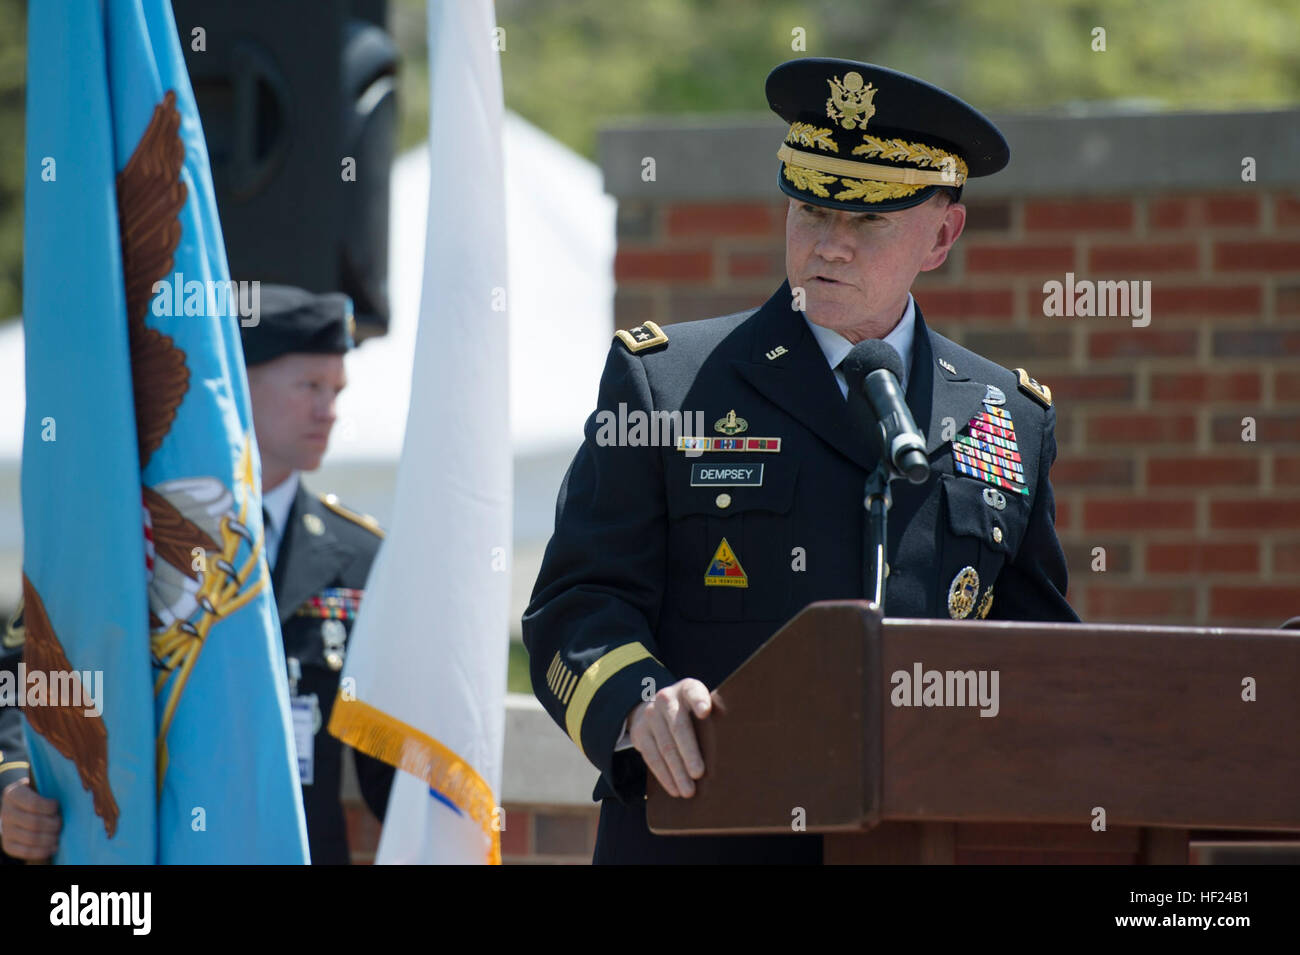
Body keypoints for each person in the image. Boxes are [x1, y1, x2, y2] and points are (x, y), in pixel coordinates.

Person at [523, 57, 1079, 864]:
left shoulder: (1009, 416)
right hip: (704, 838)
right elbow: (574, 607)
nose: (831, 246)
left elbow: (1041, 665)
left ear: (942, 234)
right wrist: (640, 704)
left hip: (919, 842)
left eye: (869, 222)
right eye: (813, 210)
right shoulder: (666, 384)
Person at [0, 285, 393, 864]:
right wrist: (12, 783)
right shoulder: (129, 535)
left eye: (336, 391)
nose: (328, 411)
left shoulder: (361, 555)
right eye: (309, 386)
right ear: (239, 385)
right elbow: (31, 669)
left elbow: (397, 765)